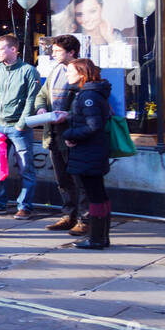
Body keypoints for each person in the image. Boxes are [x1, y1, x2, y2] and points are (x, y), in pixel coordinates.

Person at [0, 33, 42, 219]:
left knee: (26, 168)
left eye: (0, 49)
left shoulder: (28, 71)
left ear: (13, 49)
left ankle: (25, 206)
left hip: (18, 127)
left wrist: (21, 124)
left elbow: (31, 99)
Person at [57, 58, 113, 249]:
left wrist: (70, 134)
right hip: (92, 152)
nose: (66, 74)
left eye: (70, 71)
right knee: (99, 194)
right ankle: (101, 237)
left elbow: (93, 125)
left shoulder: (88, 96)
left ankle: (97, 239)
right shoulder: (92, 93)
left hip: (89, 153)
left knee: (94, 195)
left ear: (82, 73)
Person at [37, 35, 89, 236]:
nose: (53, 54)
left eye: (58, 51)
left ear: (72, 52)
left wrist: (67, 116)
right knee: (62, 177)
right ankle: (69, 214)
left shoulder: (81, 71)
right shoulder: (56, 70)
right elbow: (42, 94)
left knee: (79, 178)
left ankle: (85, 219)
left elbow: (84, 100)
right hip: (53, 132)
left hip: (72, 132)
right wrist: (42, 109)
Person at [52, 0, 126, 49]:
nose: (86, 19)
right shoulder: (71, 37)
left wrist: (110, 39)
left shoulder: (115, 34)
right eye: (79, 14)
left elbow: (124, 60)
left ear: (101, 8)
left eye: (92, 11)